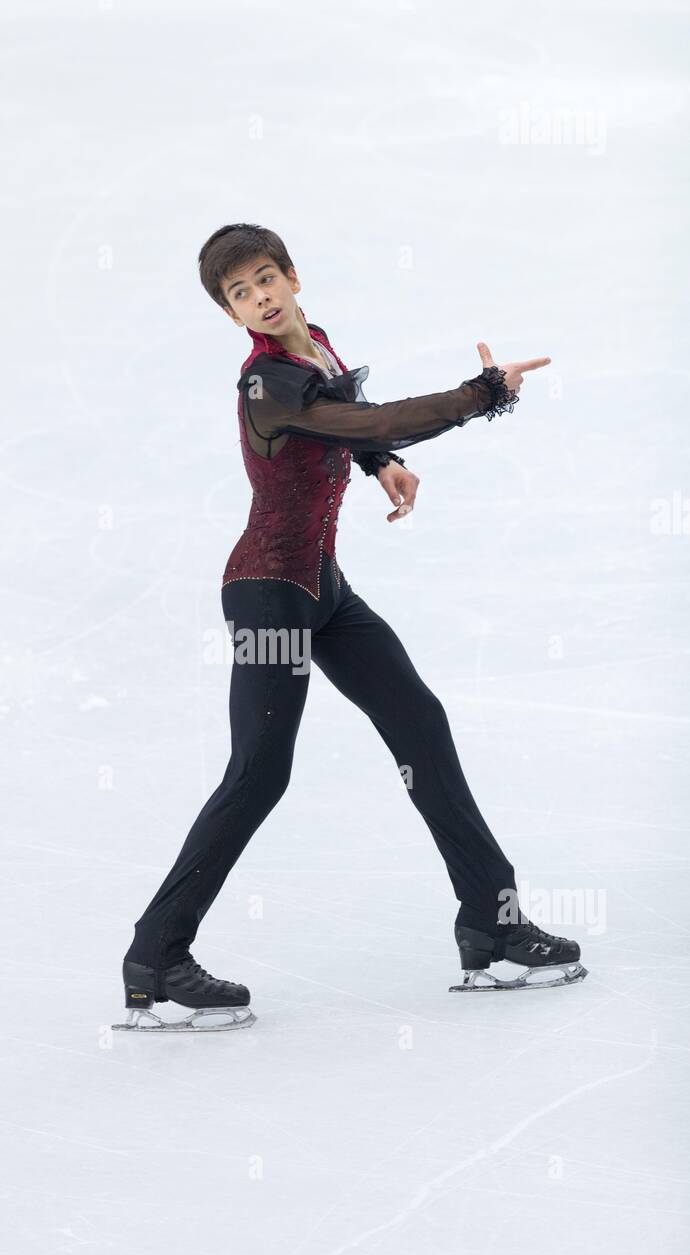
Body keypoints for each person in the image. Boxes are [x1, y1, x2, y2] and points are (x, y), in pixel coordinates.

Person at [113, 224, 587, 1032]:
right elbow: (362, 422)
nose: (260, 297)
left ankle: (492, 925)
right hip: (268, 594)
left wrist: (380, 467)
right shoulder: (265, 383)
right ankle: (156, 958)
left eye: (266, 279)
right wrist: (482, 394)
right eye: (241, 294)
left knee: (419, 723)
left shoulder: (316, 348)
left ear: (293, 277)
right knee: (259, 774)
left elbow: (350, 421)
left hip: (322, 589)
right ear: (232, 316)